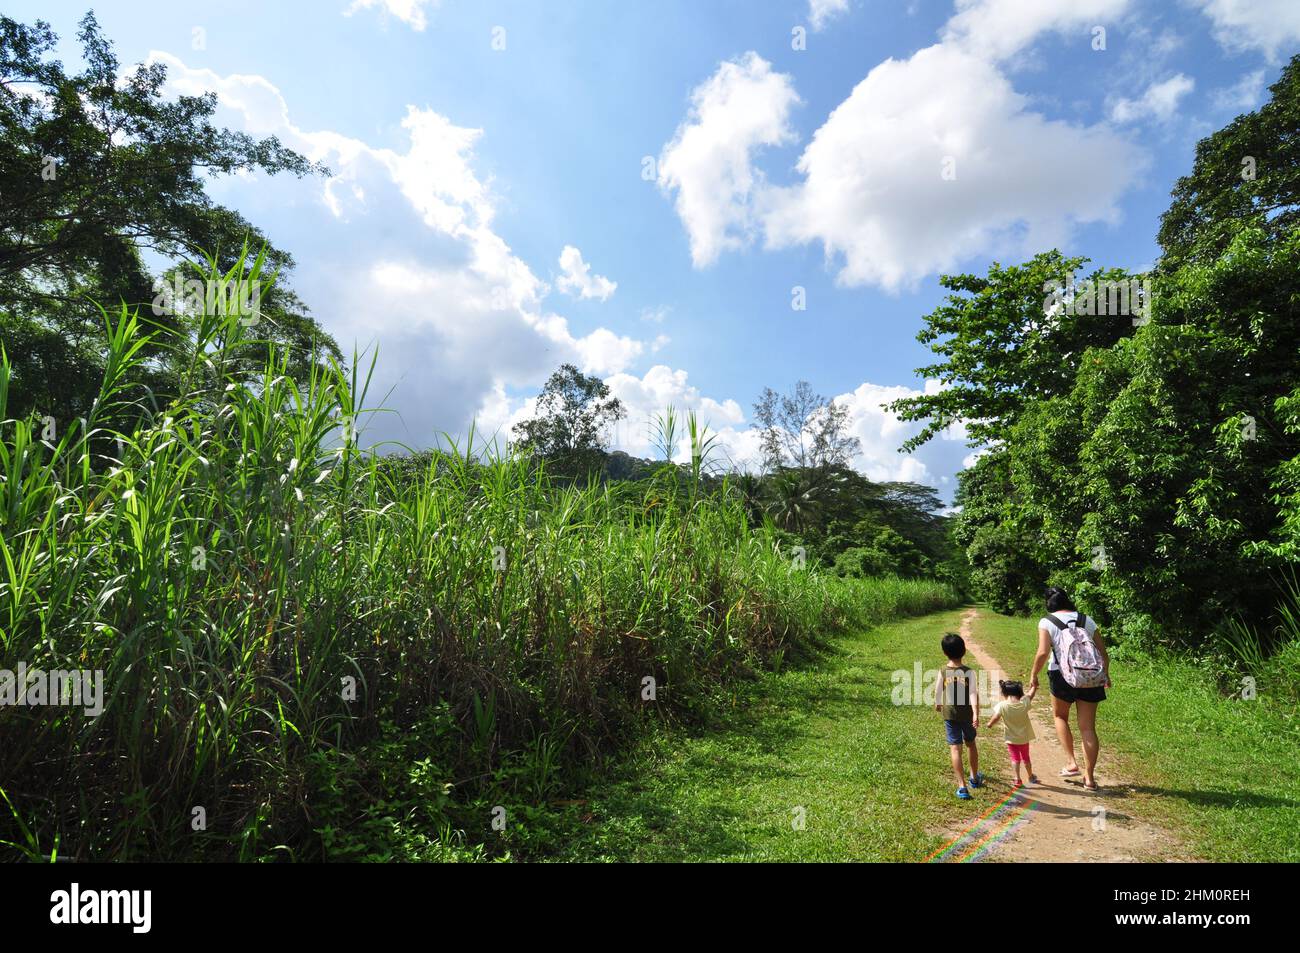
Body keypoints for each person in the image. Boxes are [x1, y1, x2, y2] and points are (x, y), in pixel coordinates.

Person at [1029, 587, 1111, 791]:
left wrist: (1033, 675)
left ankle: (1071, 762)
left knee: (1060, 717)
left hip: (1060, 674)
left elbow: (1042, 652)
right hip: (1091, 676)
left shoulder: (1047, 621)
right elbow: (1103, 653)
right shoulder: (1087, 619)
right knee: (1088, 728)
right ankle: (1089, 778)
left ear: (1049, 603)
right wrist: (1105, 675)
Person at [934, 632, 983, 799]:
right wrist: (976, 713)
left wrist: (938, 702)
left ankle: (962, 786)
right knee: (970, 744)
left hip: (950, 715)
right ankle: (974, 778)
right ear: (964, 650)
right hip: (968, 715)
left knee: (955, 748)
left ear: (944, 652)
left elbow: (938, 689)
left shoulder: (942, 671)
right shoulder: (969, 672)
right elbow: (973, 694)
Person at [987, 679, 1038, 787]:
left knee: (1015, 759)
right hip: (1024, 738)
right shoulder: (1024, 703)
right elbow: (1030, 695)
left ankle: (1017, 779)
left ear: (1004, 693)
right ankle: (1030, 776)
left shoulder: (1002, 705)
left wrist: (990, 724)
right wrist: (1034, 686)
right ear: (1019, 692)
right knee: (1026, 758)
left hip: (1011, 739)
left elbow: (996, 717)